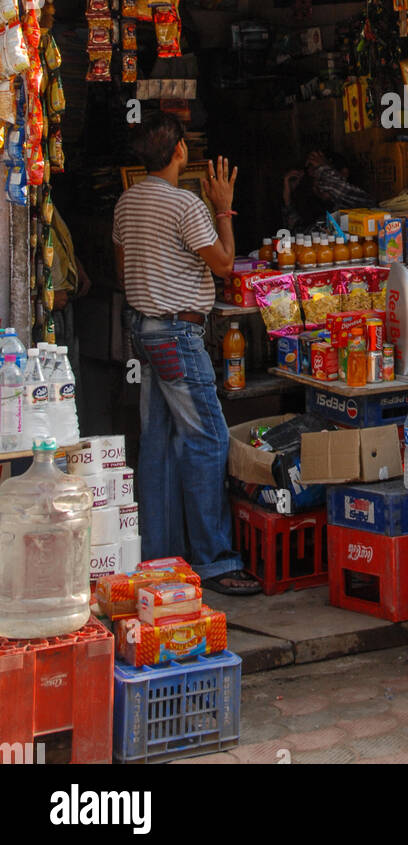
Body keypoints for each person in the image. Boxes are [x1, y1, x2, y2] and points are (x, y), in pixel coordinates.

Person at [112, 112, 260, 596]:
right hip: (176, 333)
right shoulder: (185, 204)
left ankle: (159, 557)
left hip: (145, 331)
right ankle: (215, 560)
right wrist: (223, 208)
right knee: (208, 440)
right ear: (180, 151)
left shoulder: (126, 203)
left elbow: (123, 268)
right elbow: (224, 266)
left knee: (158, 442)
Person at [282, 149, 372, 230]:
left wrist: (322, 166)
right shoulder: (324, 217)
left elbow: (342, 190)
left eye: (323, 179)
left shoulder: (360, 204)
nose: (319, 186)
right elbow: (299, 231)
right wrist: (288, 198)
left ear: (344, 173)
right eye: (314, 180)